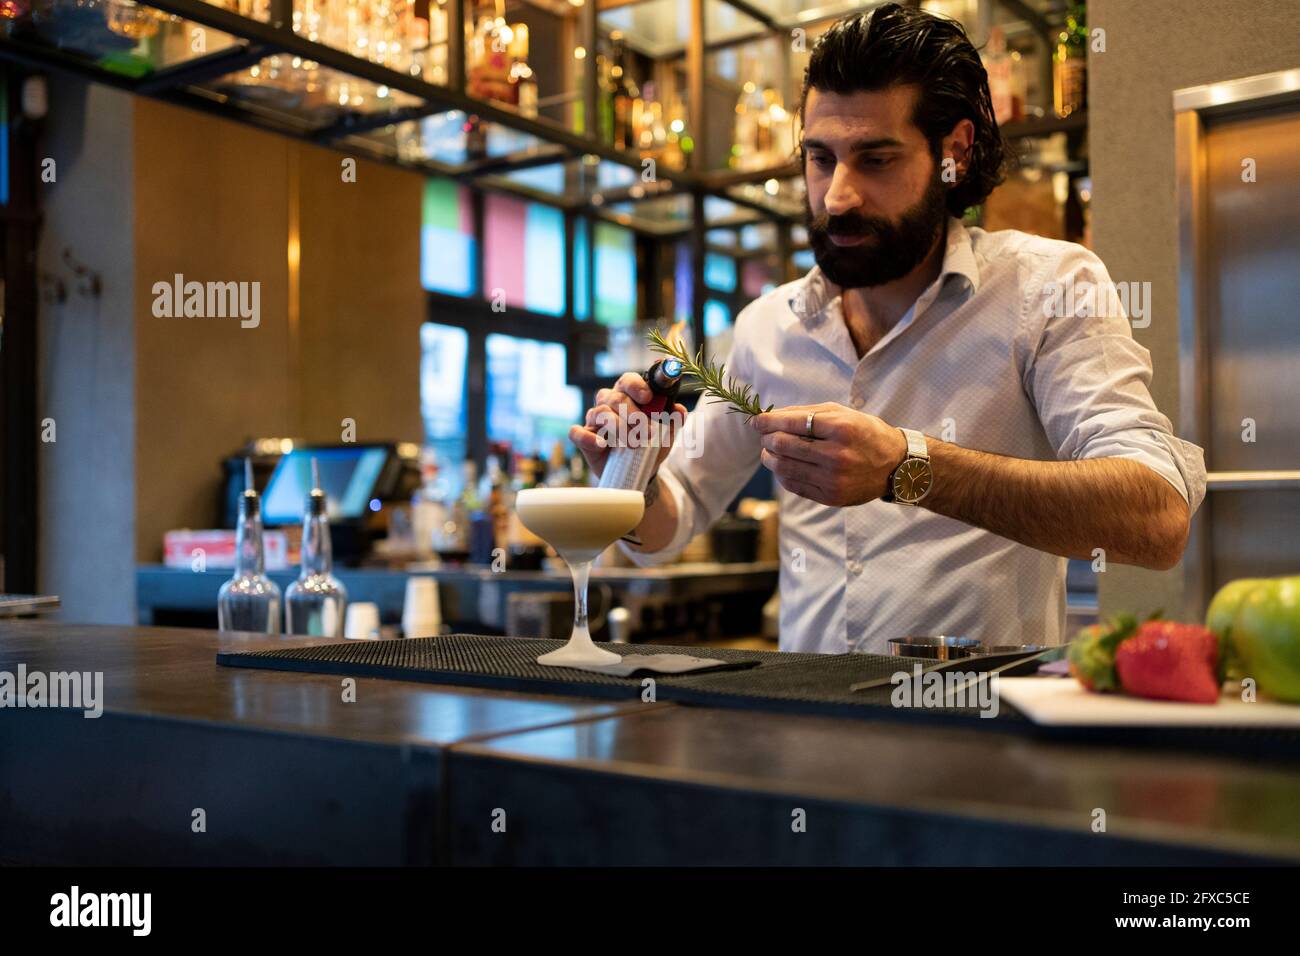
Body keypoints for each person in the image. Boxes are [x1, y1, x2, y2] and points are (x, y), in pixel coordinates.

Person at [569, 3, 1205, 654]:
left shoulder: (1046, 289)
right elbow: (663, 530)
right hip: (806, 731)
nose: (838, 195)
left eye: (875, 159)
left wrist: (911, 467)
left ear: (954, 152)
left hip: (976, 733)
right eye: (820, 160)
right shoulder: (767, 327)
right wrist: (632, 475)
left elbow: (1155, 517)